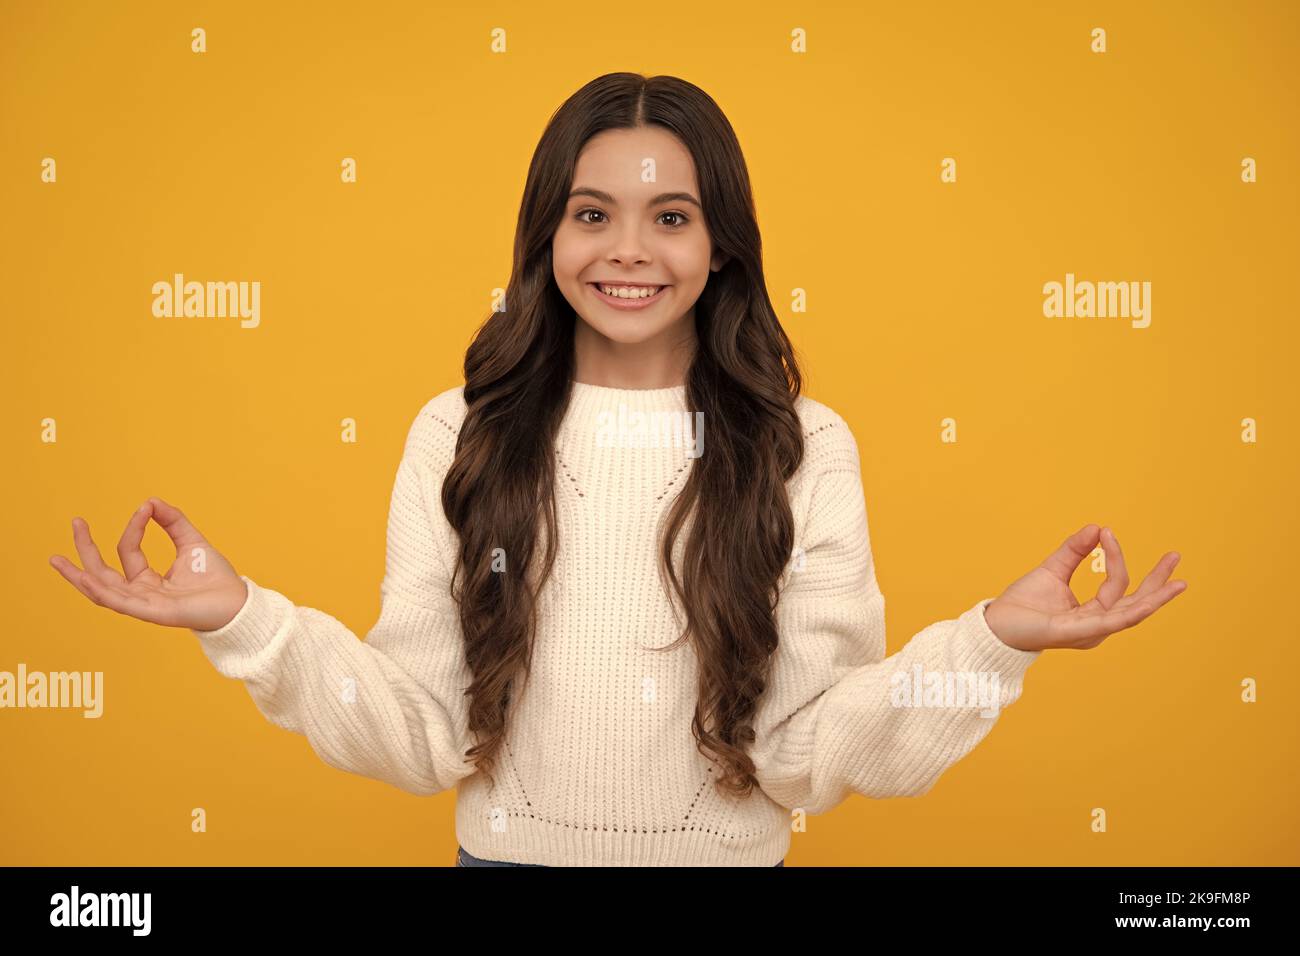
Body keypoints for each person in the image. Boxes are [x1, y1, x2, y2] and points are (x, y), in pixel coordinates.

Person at [48, 72, 1187, 867]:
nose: (630, 249)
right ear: (548, 234)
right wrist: (245, 618)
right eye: (593, 212)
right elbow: (420, 730)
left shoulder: (801, 446)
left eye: (672, 215)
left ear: (720, 243)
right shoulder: (462, 433)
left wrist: (992, 638)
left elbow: (805, 749)